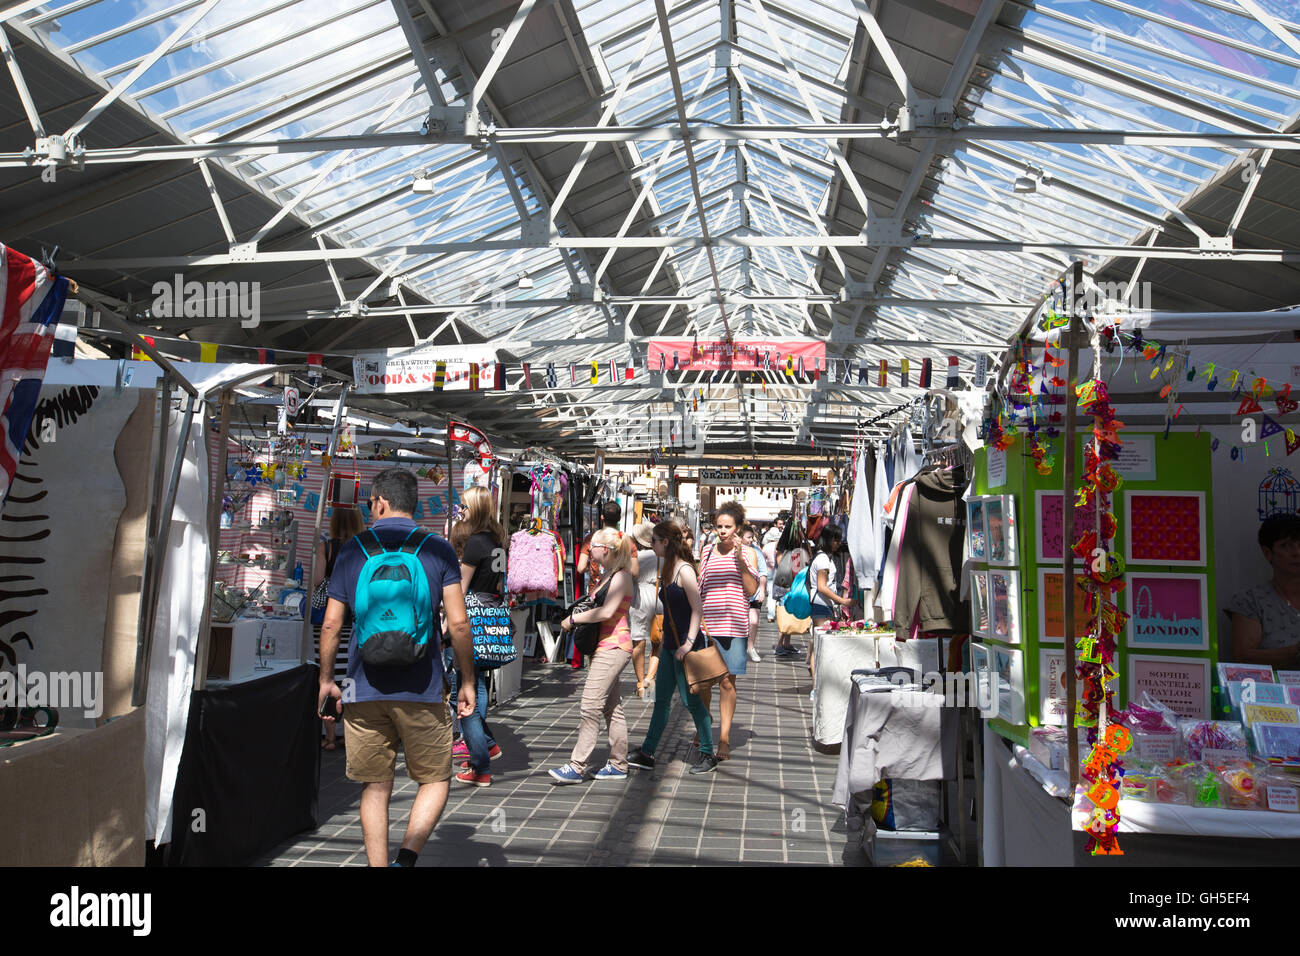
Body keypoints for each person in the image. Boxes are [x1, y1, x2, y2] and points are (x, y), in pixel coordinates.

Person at [318, 468, 475, 867]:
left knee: (375, 783)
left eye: (370, 503)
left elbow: (333, 623)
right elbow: (458, 623)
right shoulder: (437, 549)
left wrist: (326, 680)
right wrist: (468, 679)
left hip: (361, 685)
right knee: (435, 778)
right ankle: (405, 860)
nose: (370, 510)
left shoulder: (354, 549)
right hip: (423, 686)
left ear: (381, 501)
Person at [627, 521, 717, 775]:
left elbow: (697, 609)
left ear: (665, 542)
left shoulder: (684, 570)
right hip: (669, 645)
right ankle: (647, 751)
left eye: (654, 540)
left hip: (685, 648)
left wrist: (688, 644)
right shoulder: (665, 567)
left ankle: (708, 753)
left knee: (692, 702)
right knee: (662, 701)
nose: (651, 544)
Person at [550, 527, 638, 784]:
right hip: (606, 646)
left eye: (593, 546)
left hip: (613, 646)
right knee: (612, 708)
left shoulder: (620, 577)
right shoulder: (609, 575)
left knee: (590, 706)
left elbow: (606, 612)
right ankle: (618, 764)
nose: (589, 549)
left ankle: (578, 766)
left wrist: (573, 620)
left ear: (606, 550)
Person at [448, 485, 507, 787]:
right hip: (491, 616)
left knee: (465, 687)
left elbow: (459, 586)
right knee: (478, 683)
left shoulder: (475, 544)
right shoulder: (498, 540)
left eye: (465, 507)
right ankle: (486, 746)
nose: (461, 511)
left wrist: (448, 620)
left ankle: (480, 761)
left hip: (472, 618)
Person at [697, 501, 758, 760]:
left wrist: (738, 559)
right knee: (705, 683)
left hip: (734, 626)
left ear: (738, 527)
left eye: (727, 527)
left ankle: (723, 737)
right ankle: (705, 725)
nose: (722, 531)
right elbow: (700, 585)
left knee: (726, 683)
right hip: (708, 625)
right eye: (719, 526)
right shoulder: (708, 550)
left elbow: (752, 590)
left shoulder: (748, 553)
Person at [313, 505, 364, 751]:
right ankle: (351, 733)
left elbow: (317, 580)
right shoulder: (364, 549)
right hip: (354, 618)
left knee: (328, 673)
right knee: (350, 676)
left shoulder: (327, 546)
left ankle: (330, 736)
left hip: (330, 615)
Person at [1226, 515, 1300, 667]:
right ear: (1267, 553)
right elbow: (1243, 657)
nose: (1297, 552)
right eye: (1286, 545)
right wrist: (1295, 652)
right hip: (1270, 690)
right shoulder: (1251, 601)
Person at [808, 526, 853, 683]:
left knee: (818, 644)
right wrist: (842, 601)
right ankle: (816, 685)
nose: (838, 543)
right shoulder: (822, 559)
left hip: (822, 604)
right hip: (821, 604)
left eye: (839, 539)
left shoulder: (822, 557)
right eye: (836, 539)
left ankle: (817, 684)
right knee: (820, 646)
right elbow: (822, 586)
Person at [628, 521, 661, 698]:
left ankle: (640, 683)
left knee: (638, 641)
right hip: (659, 598)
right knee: (657, 641)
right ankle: (650, 677)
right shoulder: (663, 557)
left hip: (639, 598)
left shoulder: (636, 557)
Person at [577, 500, 623, 597]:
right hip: (617, 591)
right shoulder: (624, 539)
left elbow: (581, 568)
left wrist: (591, 565)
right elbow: (634, 570)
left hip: (596, 591)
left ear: (602, 517)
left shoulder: (591, 539)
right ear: (619, 518)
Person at [741, 525, 769, 664]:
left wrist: (762, 590)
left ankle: (750, 646)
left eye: (752, 537)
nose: (751, 540)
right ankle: (740, 647)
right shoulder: (734, 551)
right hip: (739, 593)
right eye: (748, 537)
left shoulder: (757, 552)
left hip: (755, 592)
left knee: (754, 621)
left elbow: (763, 572)